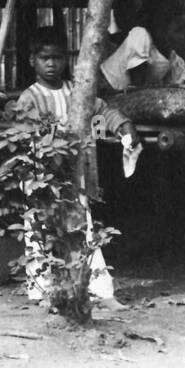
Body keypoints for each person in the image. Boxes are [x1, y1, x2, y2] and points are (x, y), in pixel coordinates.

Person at [15, 25, 135, 310]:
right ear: (33, 60)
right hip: (41, 179)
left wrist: (124, 125)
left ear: (66, 58)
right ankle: (43, 293)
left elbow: (103, 110)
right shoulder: (29, 98)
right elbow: (22, 136)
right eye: (45, 57)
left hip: (74, 178)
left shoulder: (76, 92)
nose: (51, 63)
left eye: (57, 57)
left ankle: (101, 293)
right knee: (39, 232)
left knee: (86, 231)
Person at [100, 0, 179, 92]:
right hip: (108, 87)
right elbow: (137, 79)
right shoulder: (140, 34)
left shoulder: (170, 53)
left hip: (125, 93)